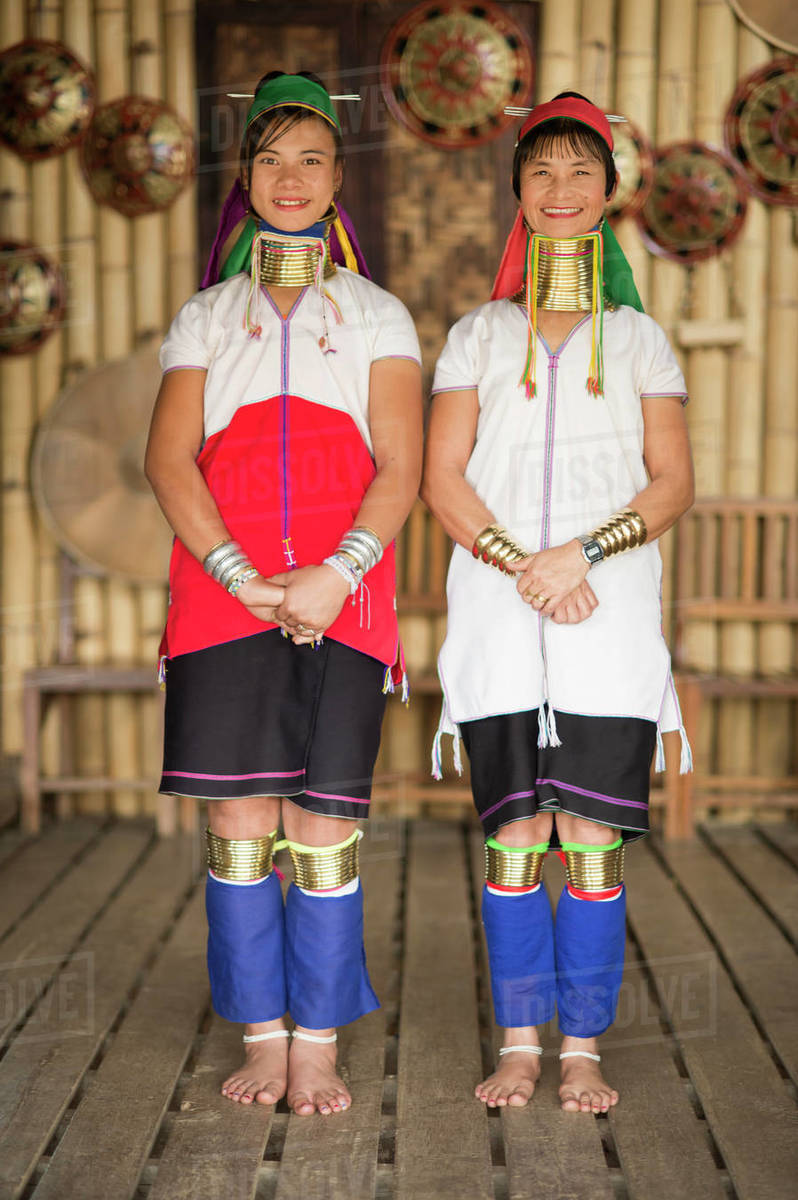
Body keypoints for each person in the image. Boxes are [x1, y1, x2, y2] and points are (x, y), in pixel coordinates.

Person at [145, 71, 422, 1116]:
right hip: (223, 598)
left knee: (324, 822)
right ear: (247, 178)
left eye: (311, 157)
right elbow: (171, 462)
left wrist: (334, 572)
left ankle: (318, 1039)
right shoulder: (208, 316)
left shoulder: (378, 315)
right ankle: (263, 1032)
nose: (291, 177)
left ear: (339, 178)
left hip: (343, 596)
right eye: (271, 159)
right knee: (239, 822)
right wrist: (240, 576)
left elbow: (400, 463)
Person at [422, 92, 694, 1114]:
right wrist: (519, 563)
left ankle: (582, 1046)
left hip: (608, 618)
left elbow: (672, 484)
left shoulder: (640, 341)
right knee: (511, 837)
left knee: (589, 838)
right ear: (519, 196)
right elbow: (443, 477)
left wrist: (577, 554)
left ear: (609, 193)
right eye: (542, 173)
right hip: (498, 619)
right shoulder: (476, 337)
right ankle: (521, 1043)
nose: (562, 189)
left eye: (582, 171)